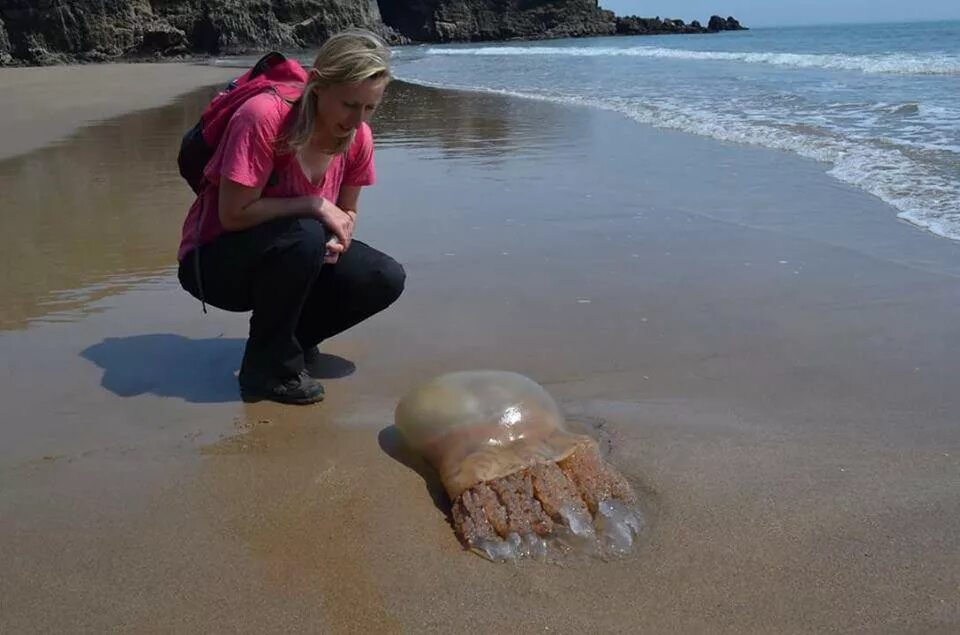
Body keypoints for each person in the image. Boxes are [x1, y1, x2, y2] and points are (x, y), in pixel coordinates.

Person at [176, 30, 405, 405]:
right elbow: (233, 214)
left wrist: (339, 237)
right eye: (349, 104)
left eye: (370, 108)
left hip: (296, 253)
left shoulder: (358, 136)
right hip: (215, 263)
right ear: (317, 85)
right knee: (305, 233)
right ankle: (266, 370)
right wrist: (313, 204)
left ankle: (289, 341)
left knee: (383, 277)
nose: (357, 120)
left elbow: (346, 212)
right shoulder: (264, 117)